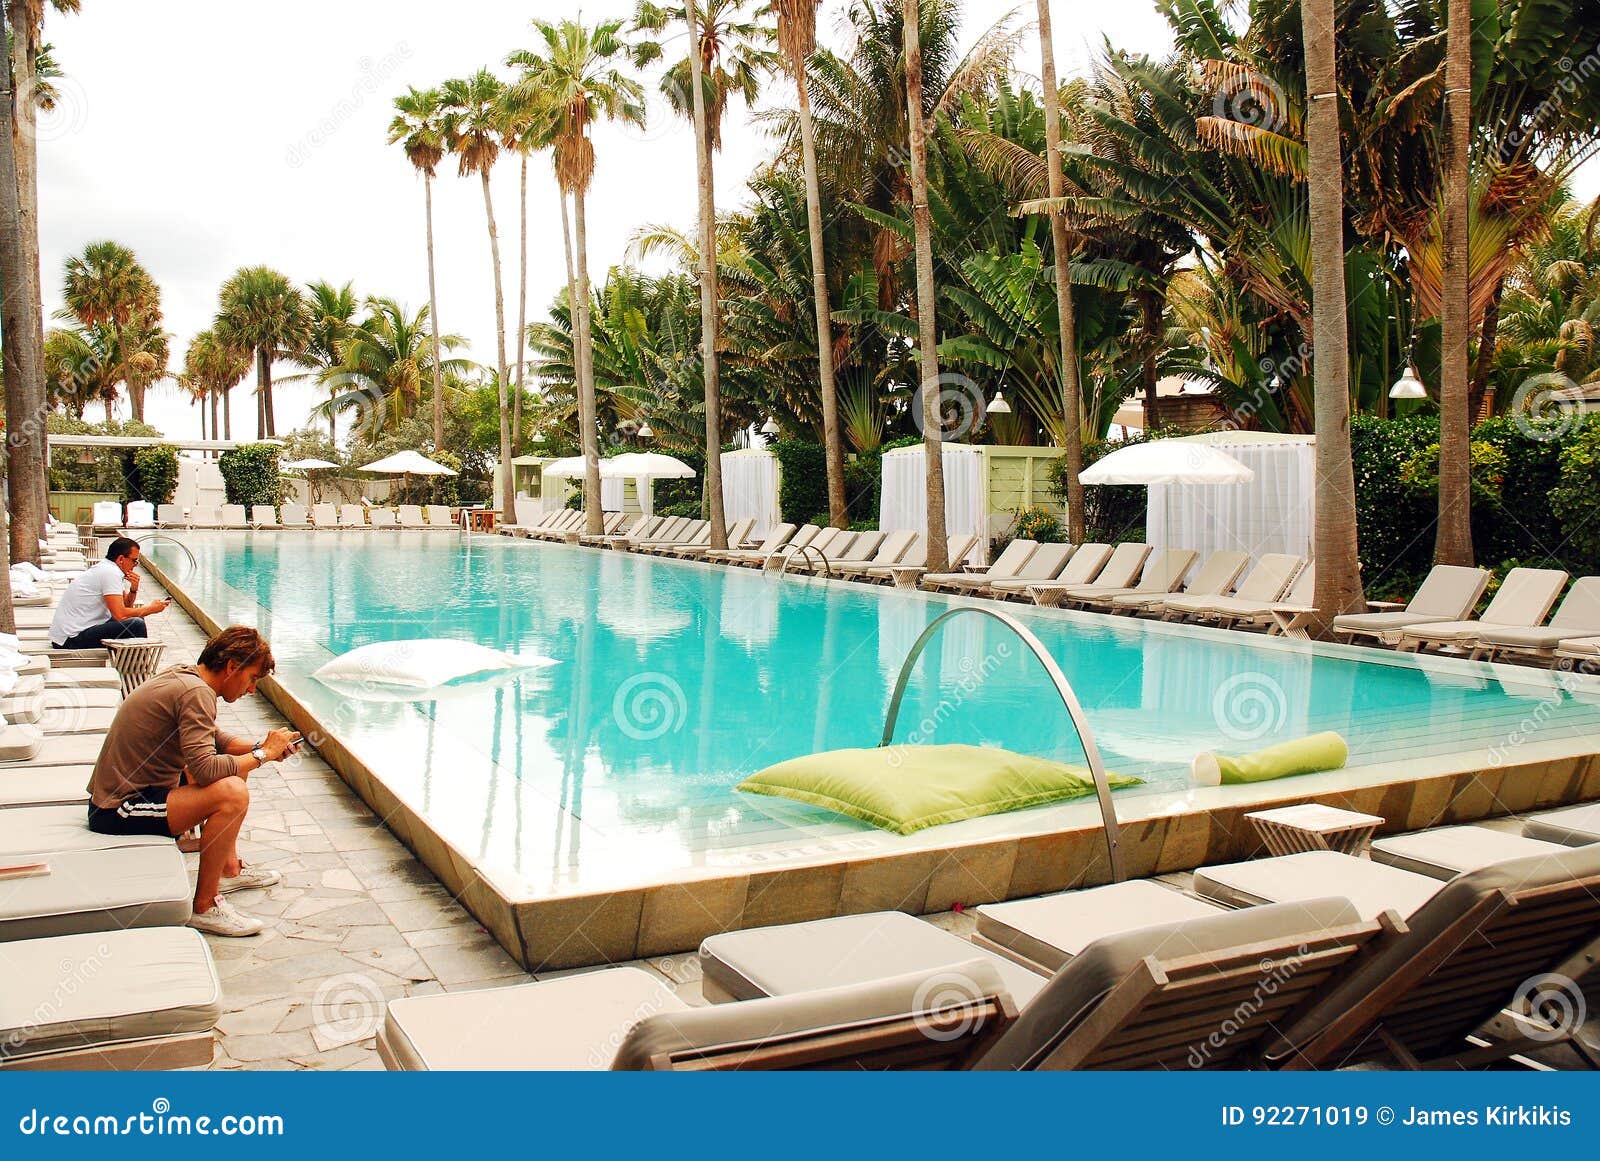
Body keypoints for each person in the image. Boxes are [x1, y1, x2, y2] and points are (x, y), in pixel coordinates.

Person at [86, 625, 302, 937]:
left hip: (135, 796)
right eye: (252, 678)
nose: (251, 689)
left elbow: (216, 740)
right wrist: (264, 755)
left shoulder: (188, 678)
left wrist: (262, 748)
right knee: (232, 792)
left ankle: (229, 870)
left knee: (235, 771)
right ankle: (205, 907)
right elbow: (204, 769)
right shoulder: (197, 693)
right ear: (232, 667)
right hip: (119, 809)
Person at [48, 536, 171, 649]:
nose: (135, 565)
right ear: (121, 559)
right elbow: (120, 614)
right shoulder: (110, 573)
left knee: (135, 620)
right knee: (136, 624)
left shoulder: (109, 569)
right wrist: (151, 609)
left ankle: (132, 665)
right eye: (134, 561)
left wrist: (134, 589)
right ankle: (138, 669)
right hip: (70, 639)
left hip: (70, 634)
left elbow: (126, 606)